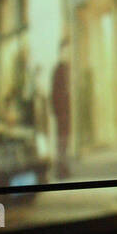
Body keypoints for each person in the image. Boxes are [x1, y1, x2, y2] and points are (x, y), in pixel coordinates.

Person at [50, 39, 71, 179]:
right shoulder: (58, 69)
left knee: (65, 139)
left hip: (66, 110)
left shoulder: (66, 68)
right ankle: (60, 169)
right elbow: (54, 92)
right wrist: (57, 111)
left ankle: (63, 167)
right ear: (61, 51)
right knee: (61, 140)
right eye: (67, 51)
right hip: (61, 111)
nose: (69, 53)